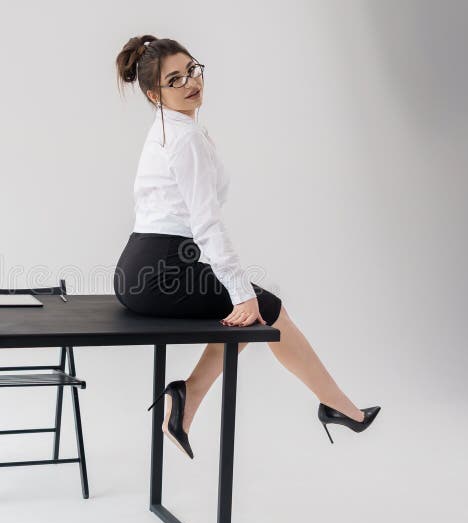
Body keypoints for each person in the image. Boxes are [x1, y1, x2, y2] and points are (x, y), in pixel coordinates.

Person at [113, 35, 381, 458]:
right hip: (162, 272)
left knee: (246, 316)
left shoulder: (171, 129)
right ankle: (337, 406)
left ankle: (186, 400)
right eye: (174, 79)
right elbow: (206, 223)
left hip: (140, 269)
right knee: (262, 309)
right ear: (154, 93)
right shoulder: (185, 139)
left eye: (192, 70)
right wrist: (242, 292)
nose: (190, 83)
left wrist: (241, 298)